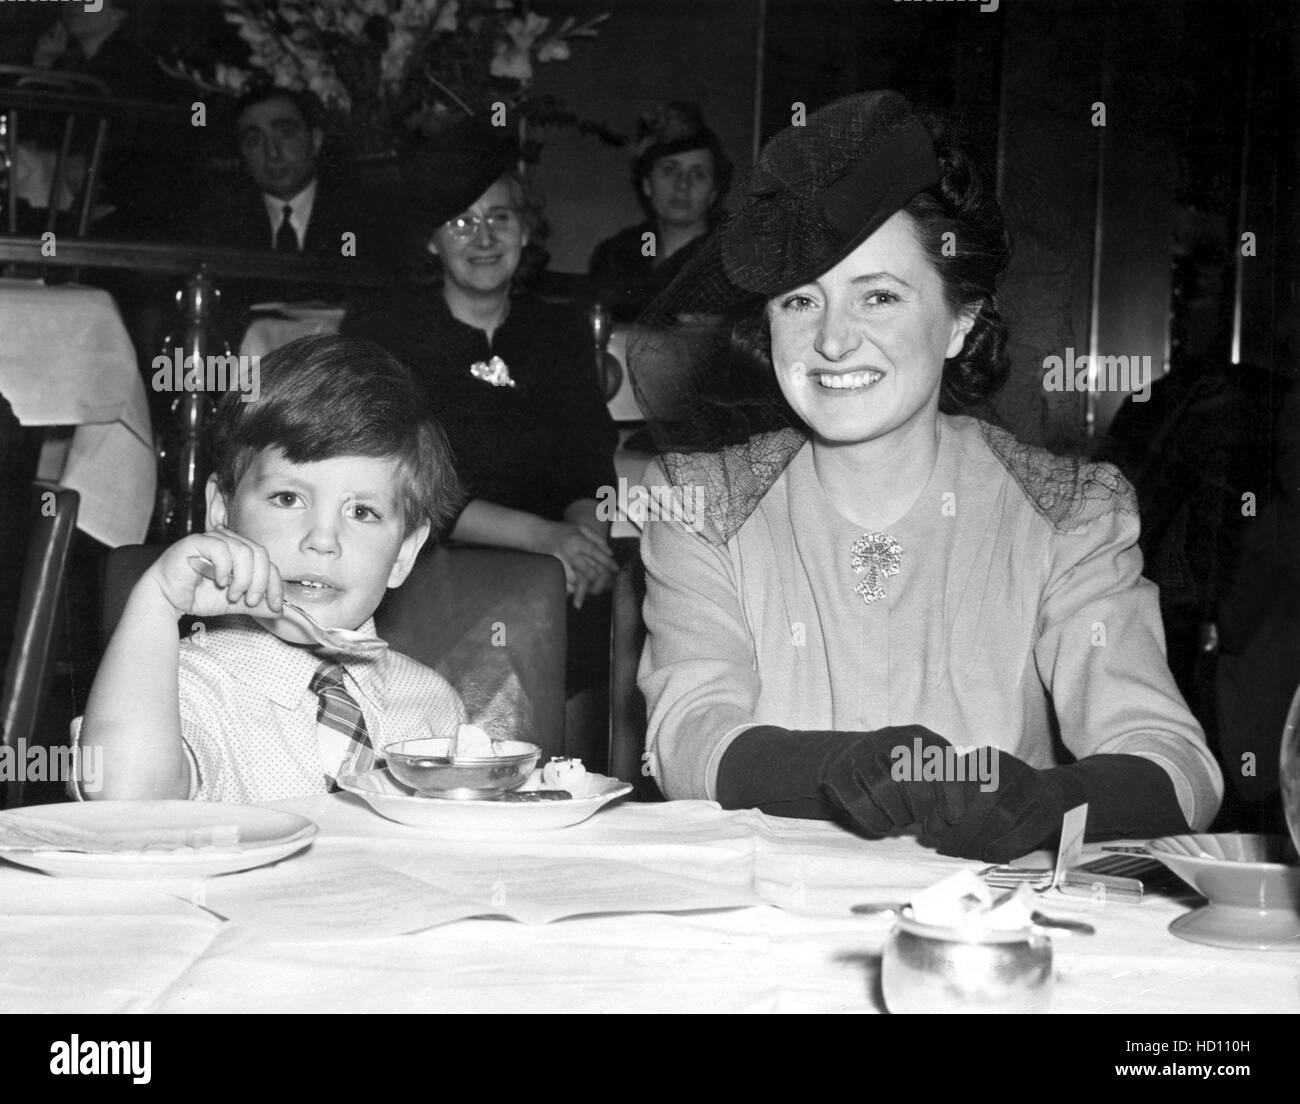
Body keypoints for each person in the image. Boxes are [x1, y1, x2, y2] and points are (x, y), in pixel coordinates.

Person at [631, 91, 1223, 862]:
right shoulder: (701, 508)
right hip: (768, 920)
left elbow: (1177, 765)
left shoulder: (1070, 514)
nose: (834, 340)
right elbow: (688, 736)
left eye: (879, 296)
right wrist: (831, 767)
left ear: (961, 319)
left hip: (993, 932)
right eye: (800, 301)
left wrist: (1048, 801)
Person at [78, 335, 466, 803]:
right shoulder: (176, 689)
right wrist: (156, 604)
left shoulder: (434, 708)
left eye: (362, 512)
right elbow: (128, 802)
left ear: (404, 551)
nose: (322, 540)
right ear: (222, 514)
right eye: (288, 498)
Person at [344, 118, 620, 723]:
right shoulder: (385, 335)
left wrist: (587, 536)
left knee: (601, 616)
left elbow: (590, 459)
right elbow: (398, 483)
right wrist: (546, 539)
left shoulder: (559, 334)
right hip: (426, 569)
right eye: (461, 222)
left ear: (526, 230)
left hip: (559, 567)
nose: (484, 236)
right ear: (431, 241)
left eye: (500, 217)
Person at [589, 102, 733, 321]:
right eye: (669, 170)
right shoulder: (616, 254)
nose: (682, 185)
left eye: (697, 174)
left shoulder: (735, 258)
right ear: (647, 183)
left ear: (714, 191)